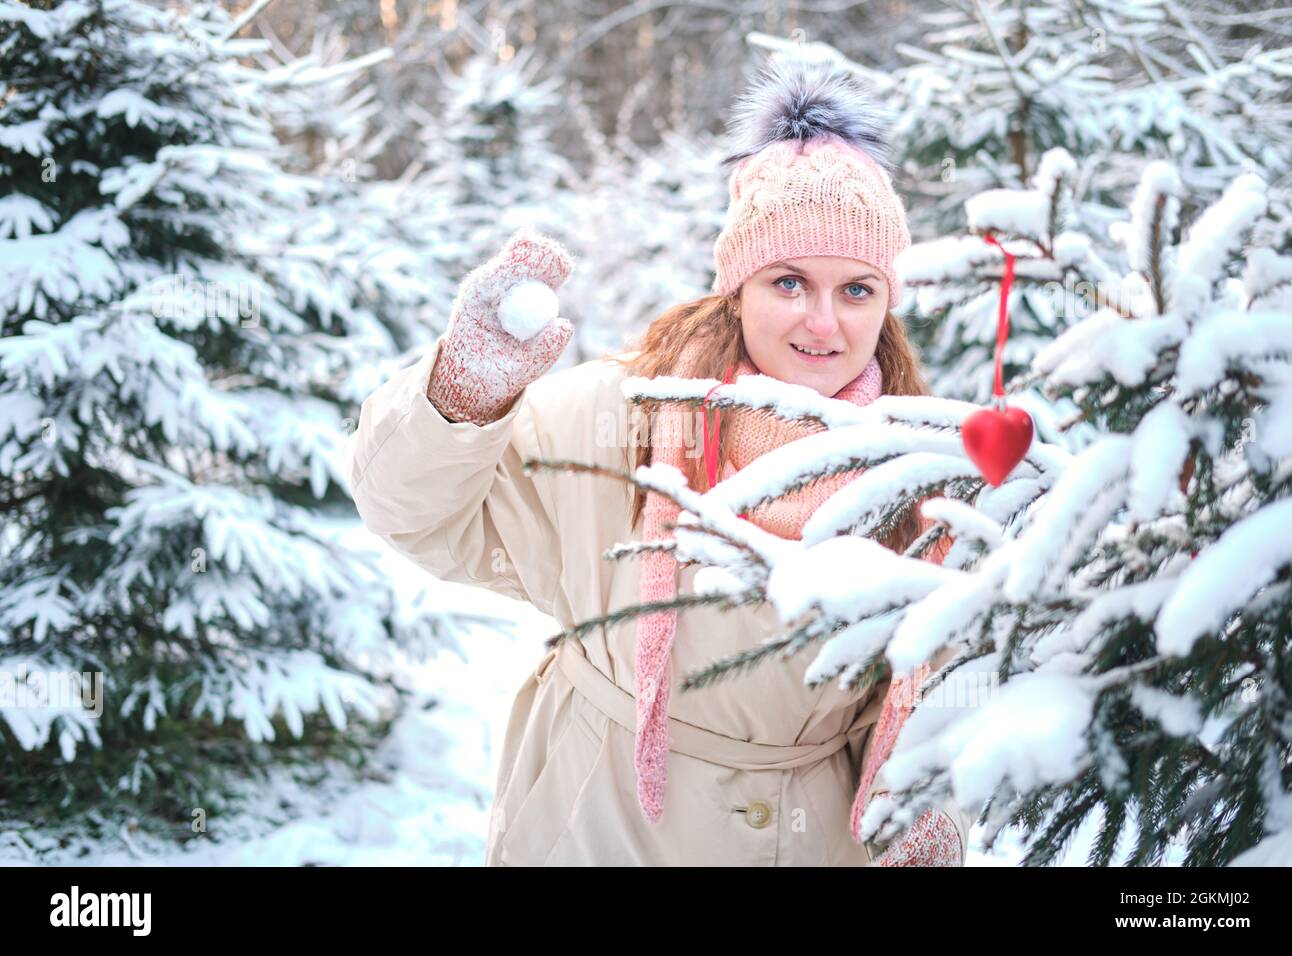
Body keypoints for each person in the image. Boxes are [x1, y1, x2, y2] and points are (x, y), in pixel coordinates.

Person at [345, 58, 972, 866]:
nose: (824, 322)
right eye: (789, 282)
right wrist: (462, 395)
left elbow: (946, 680)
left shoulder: (914, 466)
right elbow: (417, 515)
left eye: (856, 290)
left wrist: (930, 805)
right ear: (738, 286)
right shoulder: (620, 416)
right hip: (606, 829)